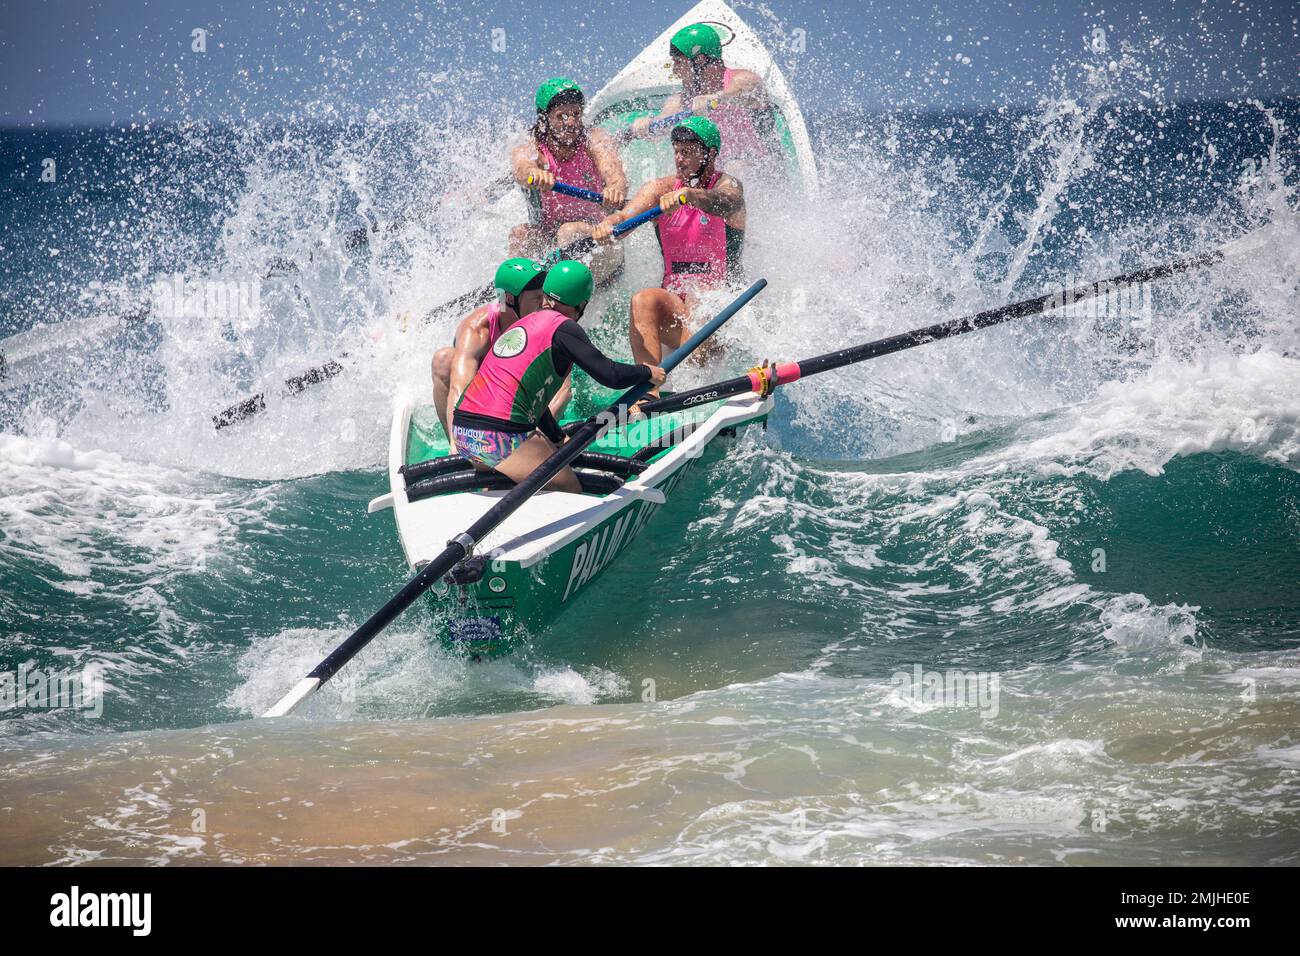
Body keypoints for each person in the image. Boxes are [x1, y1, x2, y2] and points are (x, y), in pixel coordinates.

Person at [452, 261, 666, 493]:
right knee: (570, 489)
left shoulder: (522, 323)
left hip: (463, 433)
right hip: (500, 436)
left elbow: (532, 395)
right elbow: (609, 374)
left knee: (549, 461)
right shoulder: (564, 328)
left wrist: (556, 436)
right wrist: (647, 371)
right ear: (582, 304)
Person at [591, 117, 743, 408]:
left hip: (719, 307)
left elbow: (727, 202)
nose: (679, 159)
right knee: (643, 299)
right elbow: (626, 217)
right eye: (676, 151)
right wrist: (610, 224)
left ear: (710, 154)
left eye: (688, 152)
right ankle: (648, 393)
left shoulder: (729, 186)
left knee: (700, 302)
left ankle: (696, 394)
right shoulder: (661, 190)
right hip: (676, 304)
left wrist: (690, 196)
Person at [431, 258, 570, 450]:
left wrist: (534, 435)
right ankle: (456, 448)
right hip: (483, 394)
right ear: (510, 300)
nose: (545, 305)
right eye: (537, 298)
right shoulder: (478, 328)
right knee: (443, 359)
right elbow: (459, 388)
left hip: (525, 405)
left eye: (545, 297)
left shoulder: (548, 321)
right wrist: (458, 445)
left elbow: (563, 392)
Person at [510, 78, 627, 284]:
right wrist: (533, 173)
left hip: (599, 236)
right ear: (544, 119)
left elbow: (615, 175)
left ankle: (559, 293)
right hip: (553, 240)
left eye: (575, 114)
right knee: (519, 234)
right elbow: (521, 168)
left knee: (569, 230)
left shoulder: (594, 140)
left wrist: (615, 189)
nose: (571, 123)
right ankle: (515, 296)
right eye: (562, 116)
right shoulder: (533, 149)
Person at [630, 22, 776, 174]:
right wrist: (648, 125)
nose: (675, 70)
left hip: (758, 168)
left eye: (678, 62)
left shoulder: (739, 80)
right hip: (716, 175)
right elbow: (663, 120)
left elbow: (751, 85)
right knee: (674, 173)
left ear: (700, 60)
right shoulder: (680, 100)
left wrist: (715, 98)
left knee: (735, 168)